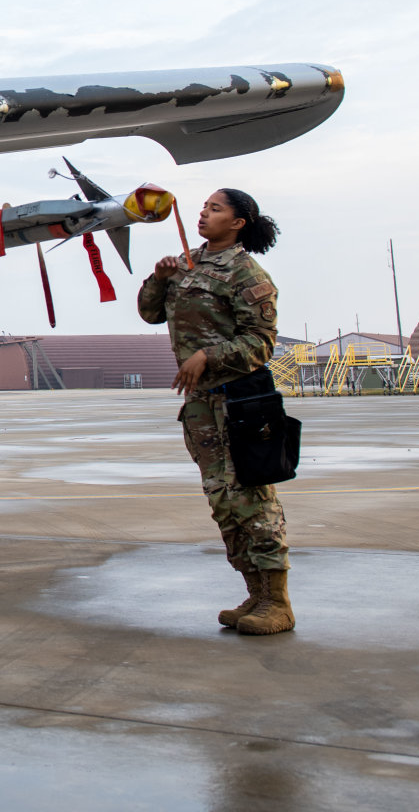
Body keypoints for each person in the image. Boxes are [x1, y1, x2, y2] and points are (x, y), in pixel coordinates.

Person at [137, 188, 293, 635]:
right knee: (223, 499)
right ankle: (254, 593)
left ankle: (277, 602)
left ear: (238, 222)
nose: (204, 214)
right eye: (204, 208)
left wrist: (208, 356)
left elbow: (260, 343)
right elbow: (150, 314)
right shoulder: (188, 264)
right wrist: (159, 277)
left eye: (215, 208)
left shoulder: (246, 273)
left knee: (252, 498)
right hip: (202, 407)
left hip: (240, 401)